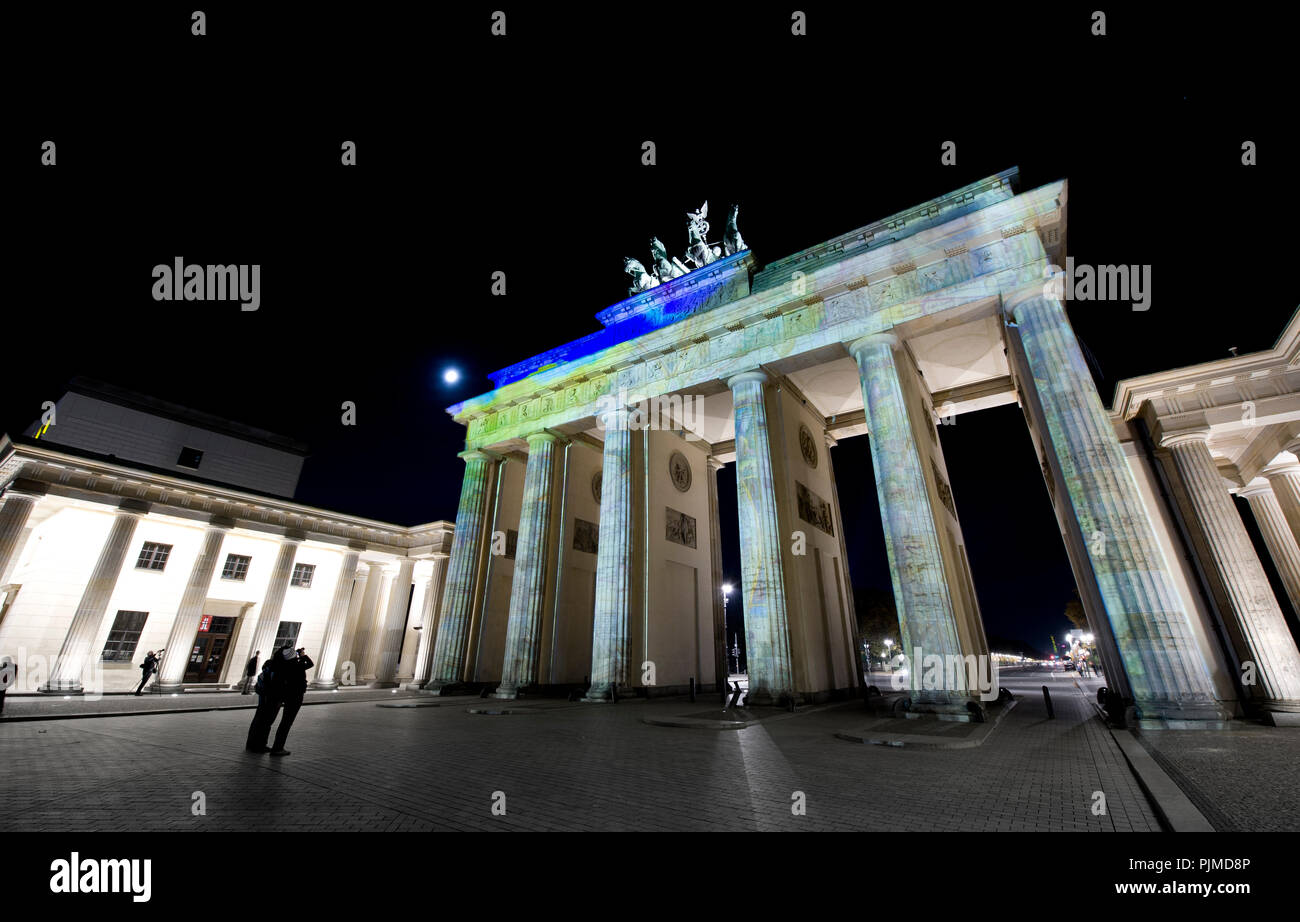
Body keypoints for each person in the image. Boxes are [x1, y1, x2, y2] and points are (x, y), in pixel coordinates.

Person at [245, 644, 313, 756]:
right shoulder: (296, 665)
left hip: (272, 696)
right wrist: (302, 656)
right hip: (289, 696)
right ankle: (276, 747)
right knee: (283, 723)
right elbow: (310, 664)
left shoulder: (275, 665)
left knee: (263, 721)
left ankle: (256, 745)